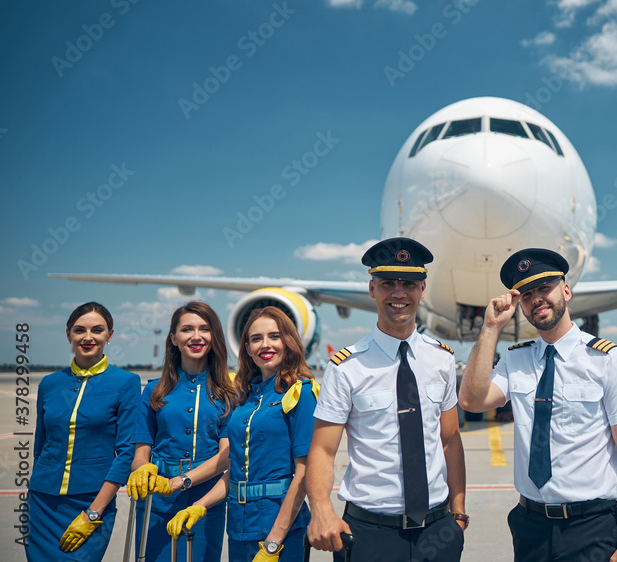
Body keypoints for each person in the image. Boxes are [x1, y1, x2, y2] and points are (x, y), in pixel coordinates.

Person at [459, 248, 617, 562]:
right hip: (529, 525)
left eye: (545, 288)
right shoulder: (515, 359)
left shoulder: (605, 360)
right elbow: (472, 400)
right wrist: (491, 328)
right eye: (528, 294)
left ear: (566, 290)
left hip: (591, 527)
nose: (537, 299)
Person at [306, 237, 467, 561]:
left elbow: (449, 439)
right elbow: (323, 449)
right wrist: (322, 508)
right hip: (369, 535)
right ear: (372, 289)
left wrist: (459, 510)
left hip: (437, 529)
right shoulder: (346, 367)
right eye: (387, 283)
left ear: (422, 289)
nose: (398, 293)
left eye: (408, 284)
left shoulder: (442, 360)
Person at [167, 306, 317, 561]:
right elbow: (235, 469)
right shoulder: (244, 399)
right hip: (238, 529)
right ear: (246, 348)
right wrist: (197, 506)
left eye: (274, 336)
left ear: (288, 342)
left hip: (280, 530)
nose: (265, 345)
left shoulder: (299, 393)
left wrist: (273, 542)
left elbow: (304, 474)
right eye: (256, 339)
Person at [28, 302, 141, 561]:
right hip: (43, 504)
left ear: (109, 336)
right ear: (69, 334)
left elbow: (126, 453)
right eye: (80, 330)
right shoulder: (50, 383)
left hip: (92, 502)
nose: (88, 337)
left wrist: (94, 512)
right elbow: (40, 444)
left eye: (97, 330)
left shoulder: (126, 383)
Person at [126, 301, 237, 561]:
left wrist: (182, 481)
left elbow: (226, 457)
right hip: (158, 498)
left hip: (206, 499)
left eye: (204, 329)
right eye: (187, 329)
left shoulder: (229, 395)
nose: (196, 336)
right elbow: (141, 452)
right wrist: (143, 469)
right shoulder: (153, 390)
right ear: (174, 338)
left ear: (214, 337)